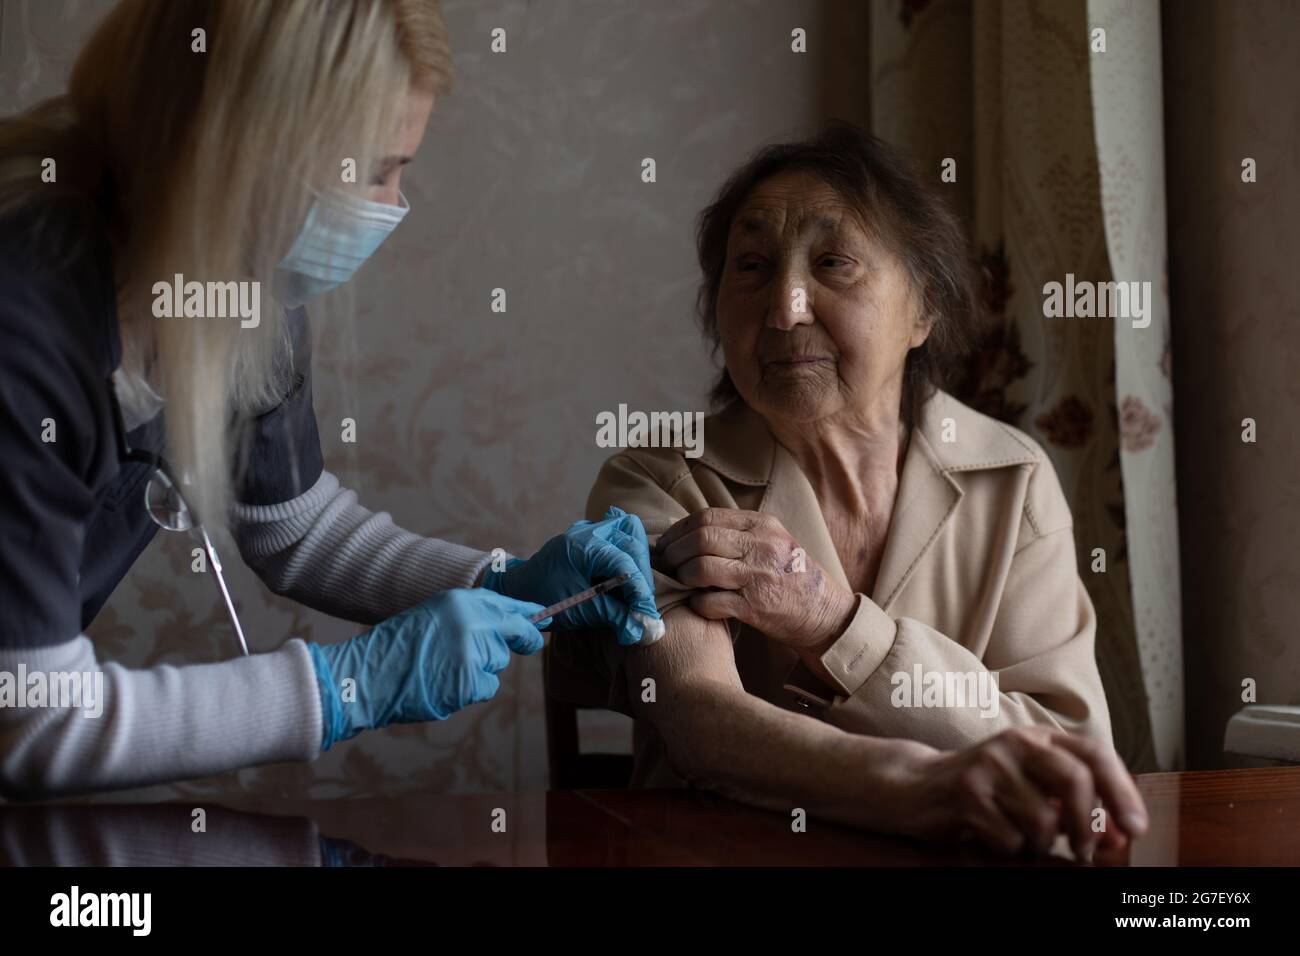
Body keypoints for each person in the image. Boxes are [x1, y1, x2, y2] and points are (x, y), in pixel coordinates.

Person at [0, 0, 659, 800]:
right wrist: (350, 687)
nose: (389, 206)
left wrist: (503, 582)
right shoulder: (28, 320)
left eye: (402, 168)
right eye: (371, 170)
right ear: (230, 145)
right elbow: (35, 716)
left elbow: (295, 528)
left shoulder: (242, 297)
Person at [553, 123, 1147, 858]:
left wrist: (832, 621)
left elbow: (1068, 756)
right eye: (751, 267)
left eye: (833, 263)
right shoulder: (657, 480)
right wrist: (934, 783)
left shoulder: (1011, 478)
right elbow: (701, 723)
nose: (784, 308)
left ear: (923, 310)